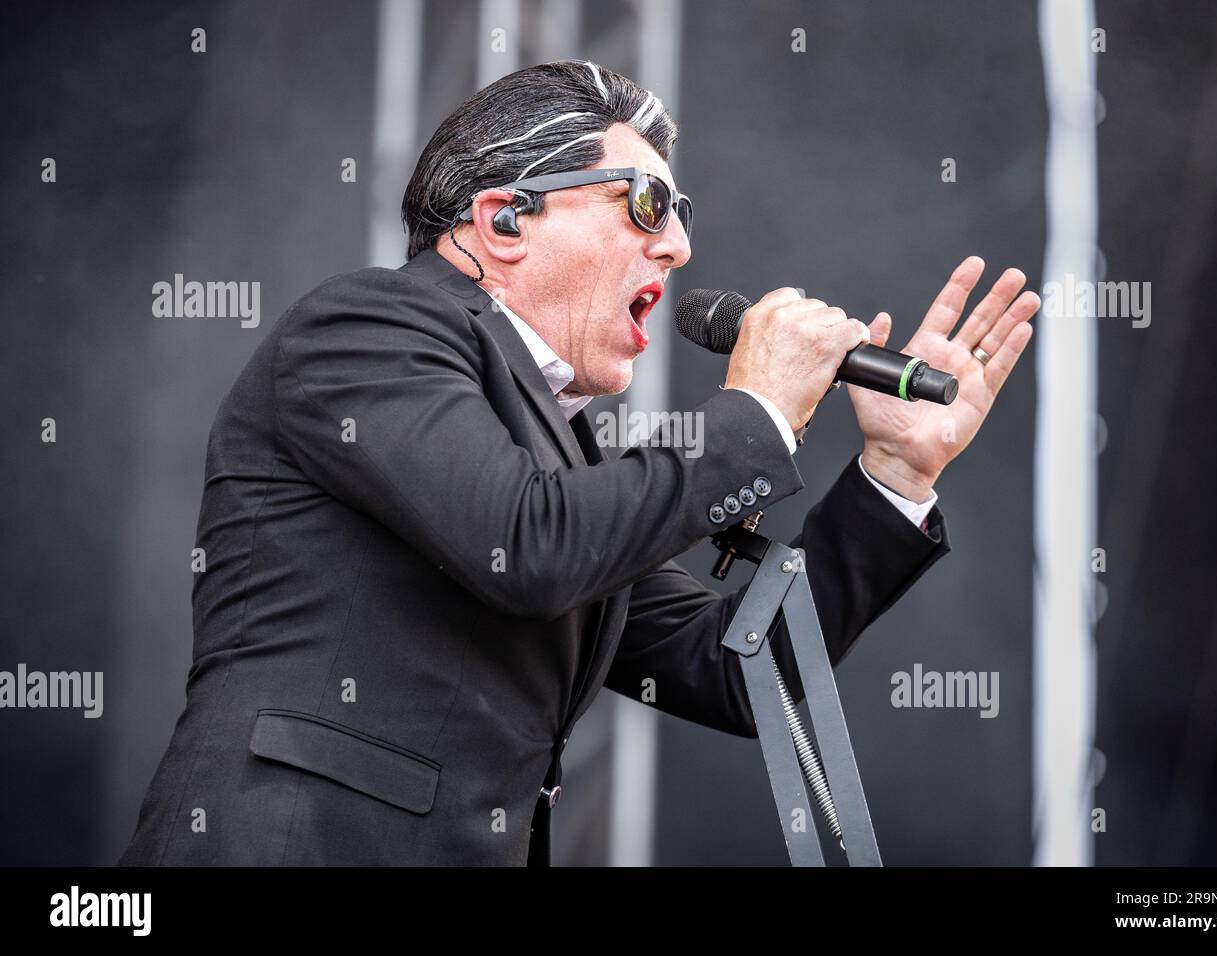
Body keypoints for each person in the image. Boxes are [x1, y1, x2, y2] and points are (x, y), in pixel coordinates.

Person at [118, 60, 1038, 867]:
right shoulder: (364, 327)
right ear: (504, 219)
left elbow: (739, 673)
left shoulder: (560, 460)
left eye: (681, 214)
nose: (677, 244)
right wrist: (756, 412)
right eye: (645, 204)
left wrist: (896, 473)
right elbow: (524, 543)